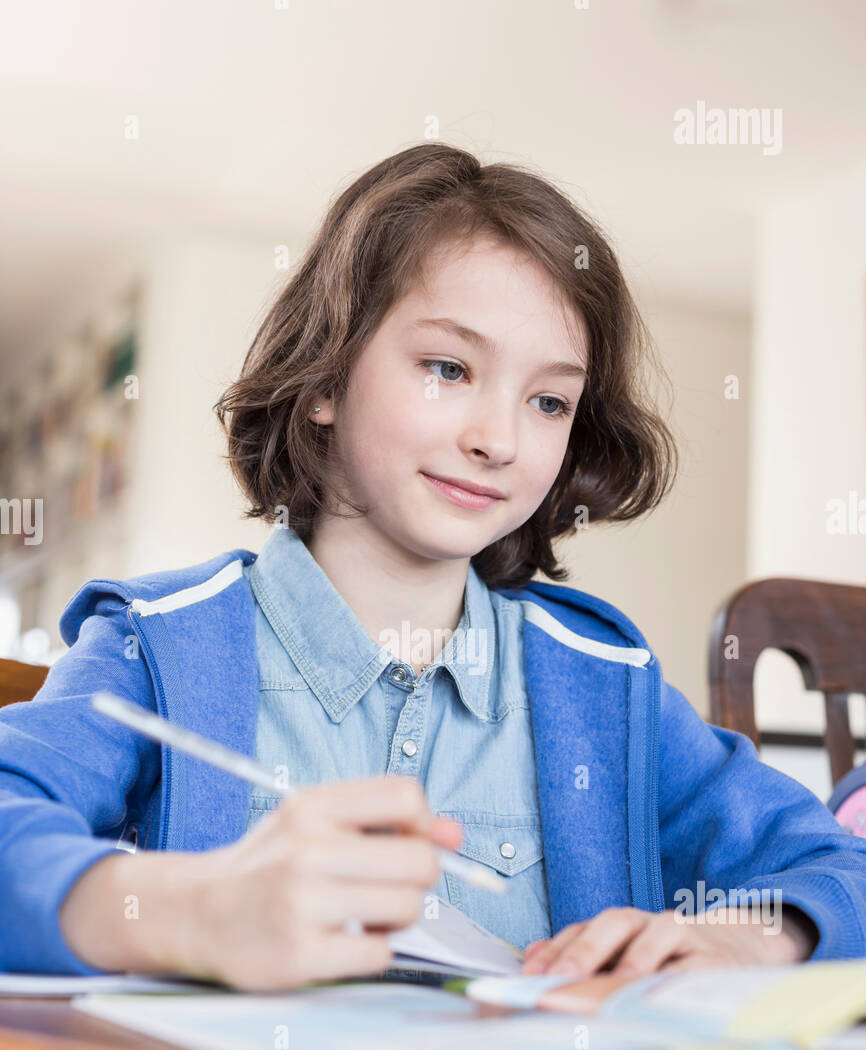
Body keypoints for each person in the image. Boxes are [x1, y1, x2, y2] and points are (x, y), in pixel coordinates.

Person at [2, 142, 864, 991]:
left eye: (549, 401)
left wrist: (757, 940)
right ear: (325, 380)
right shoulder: (161, 648)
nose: (498, 438)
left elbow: (838, 868)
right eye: (448, 368)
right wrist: (190, 909)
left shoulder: (607, 692)